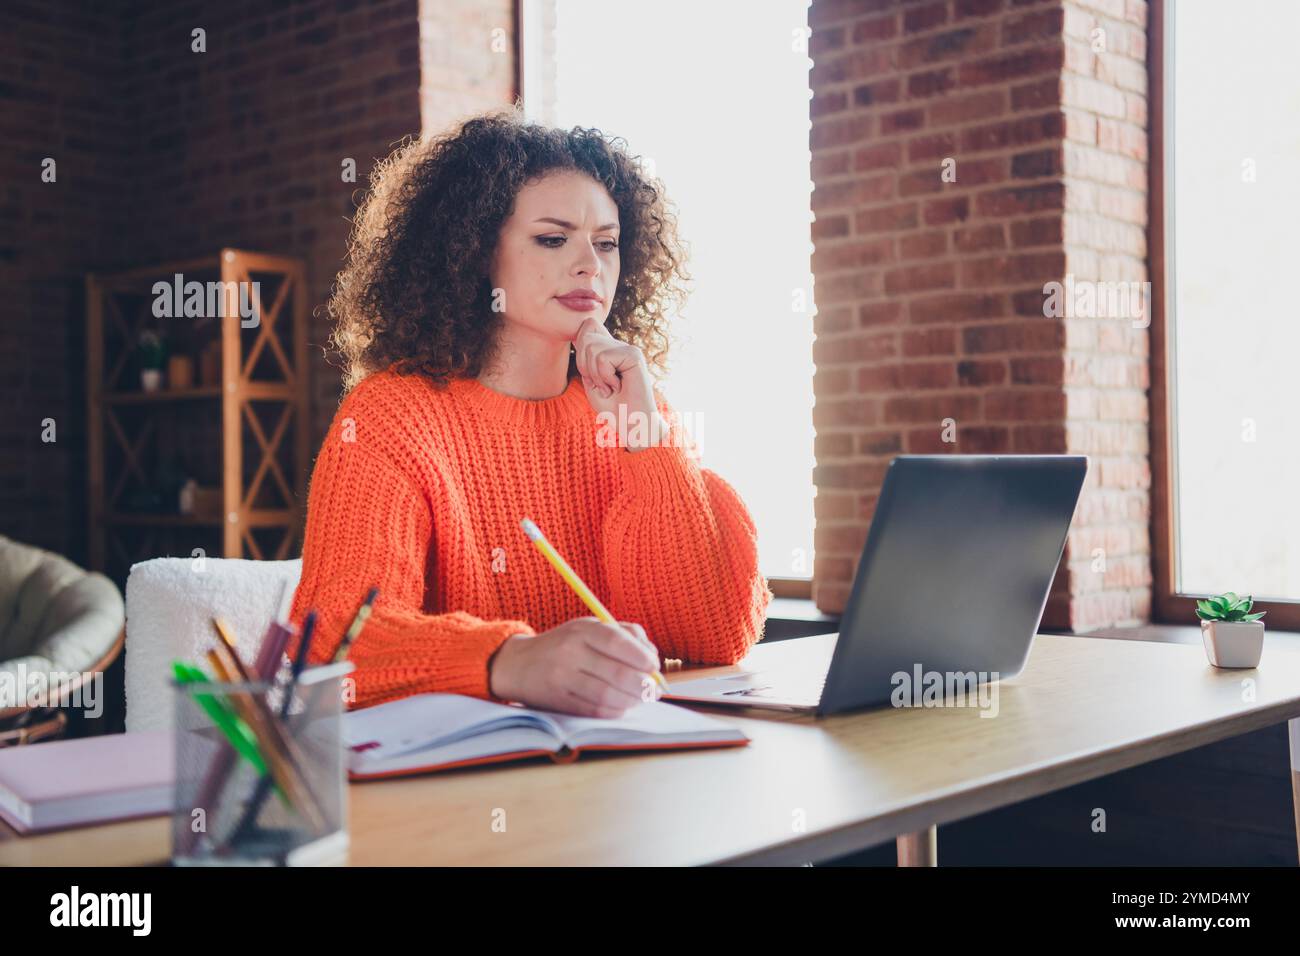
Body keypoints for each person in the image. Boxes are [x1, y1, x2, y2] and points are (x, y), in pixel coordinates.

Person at [287, 104, 772, 718]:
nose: (589, 266)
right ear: (475, 252)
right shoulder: (391, 416)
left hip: (629, 773)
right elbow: (334, 643)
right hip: (464, 789)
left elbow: (712, 633)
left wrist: (645, 437)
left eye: (606, 244)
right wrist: (511, 660)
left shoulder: (634, 410)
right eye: (552, 238)